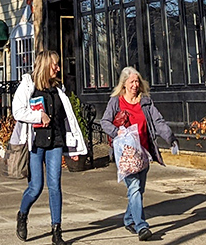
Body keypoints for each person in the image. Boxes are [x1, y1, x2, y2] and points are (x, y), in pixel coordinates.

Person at [12, 50, 87, 245]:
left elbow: (66, 121)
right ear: (46, 64)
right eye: (55, 64)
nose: (58, 68)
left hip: (55, 142)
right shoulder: (28, 85)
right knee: (36, 187)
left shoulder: (58, 89)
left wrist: (74, 149)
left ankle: (56, 231)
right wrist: (39, 117)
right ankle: (22, 214)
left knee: (55, 186)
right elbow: (17, 111)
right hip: (36, 143)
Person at [101, 67, 178, 241]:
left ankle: (129, 219)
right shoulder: (116, 101)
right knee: (134, 188)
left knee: (139, 190)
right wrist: (116, 131)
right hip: (126, 154)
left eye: (137, 81)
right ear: (124, 84)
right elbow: (104, 121)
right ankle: (141, 226)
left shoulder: (145, 101)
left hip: (143, 152)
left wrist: (170, 138)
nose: (135, 85)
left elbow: (158, 121)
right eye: (132, 82)